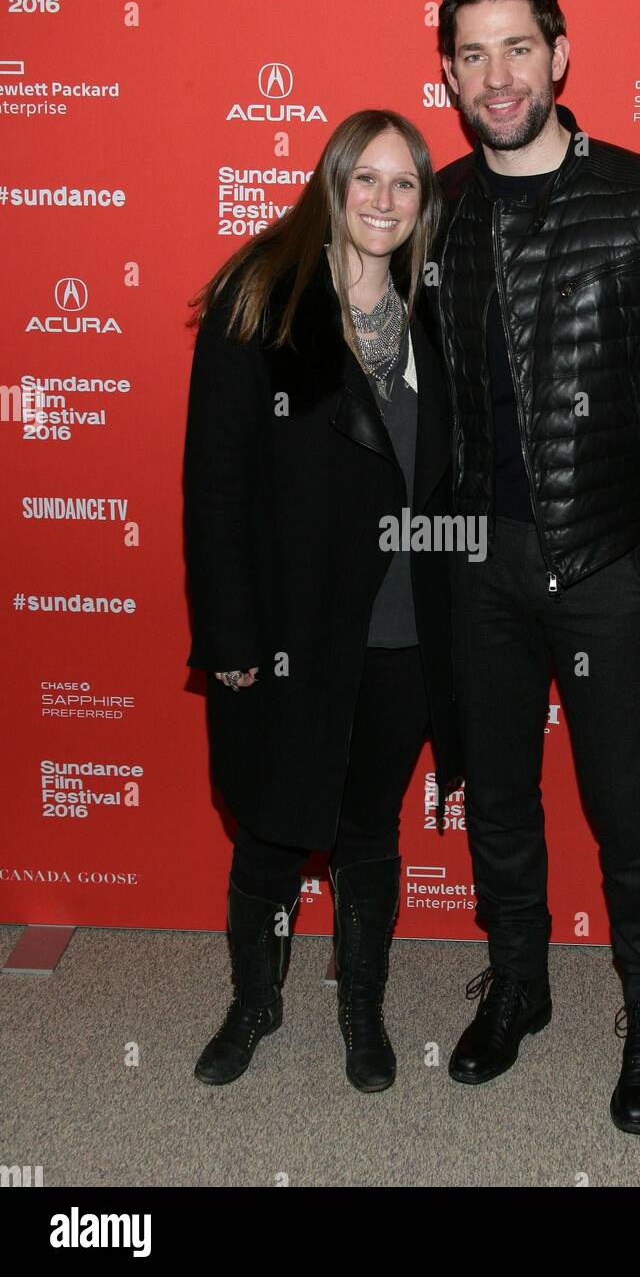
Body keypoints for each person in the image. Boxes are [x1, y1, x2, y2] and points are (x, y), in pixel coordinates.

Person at [433, 0, 640, 1133]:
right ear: (449, 74)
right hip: (483, 565)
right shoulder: (444, 205)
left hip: (607, 564)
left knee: (625, 809)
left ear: (558, 56)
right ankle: (517, 987)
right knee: (500, 800)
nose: (496, 74)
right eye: (472, 54)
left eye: (516, 48)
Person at [182, 110, 462, 1093]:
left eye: (406, 184)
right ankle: (252, 1002)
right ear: (331, 183)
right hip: (291, 623)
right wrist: (230, 634)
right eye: (367, 179)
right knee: (269, 824)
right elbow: (214, 483)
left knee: (367, 826)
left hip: (406, 627)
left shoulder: (437, 309)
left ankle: (361, 1012)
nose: (385, 201)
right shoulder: (262, 297)